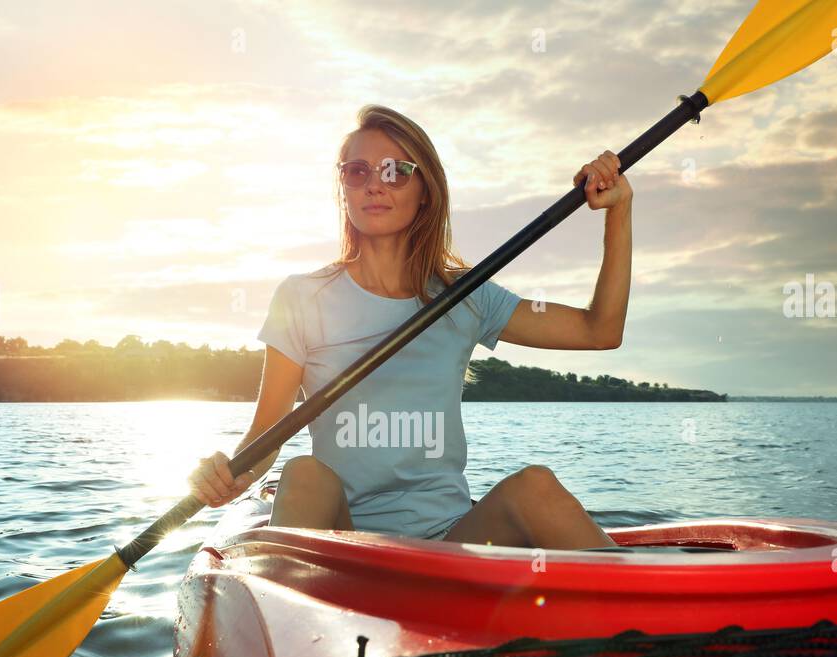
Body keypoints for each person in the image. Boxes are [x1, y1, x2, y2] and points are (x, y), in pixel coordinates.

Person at [189, 104, 632, 550]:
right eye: (356, 171)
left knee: (536, 486)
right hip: (344, 544)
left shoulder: (467, 295)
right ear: (342, 187)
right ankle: (293, 603)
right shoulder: (303, 297)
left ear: (426, 190)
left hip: (450, 545)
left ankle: (646, 611)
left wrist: (619, 210)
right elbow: (266, 437)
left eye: (395, 171)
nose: (374, 185)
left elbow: (599, 331)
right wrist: (231, 473)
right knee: (304, 472)